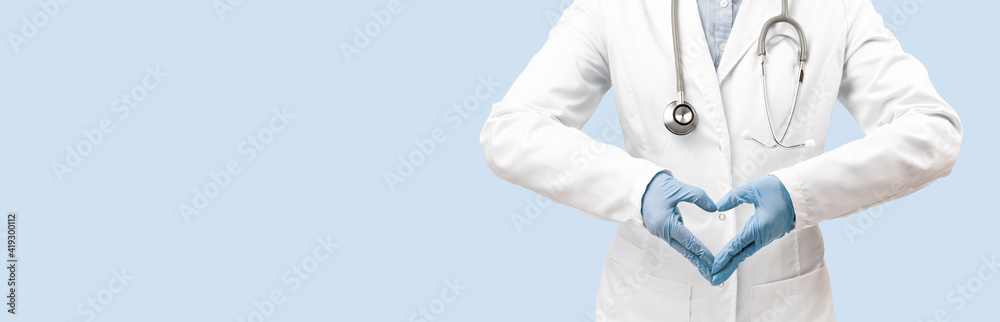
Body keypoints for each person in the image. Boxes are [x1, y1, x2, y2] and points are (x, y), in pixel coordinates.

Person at [480, 0, 961, 320]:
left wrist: (800, 196)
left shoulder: (835, 8)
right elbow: (511, 130)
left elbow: (932, 130)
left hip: (785, 303)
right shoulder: (612, 7)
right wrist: (636, 189)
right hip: (647, 303)